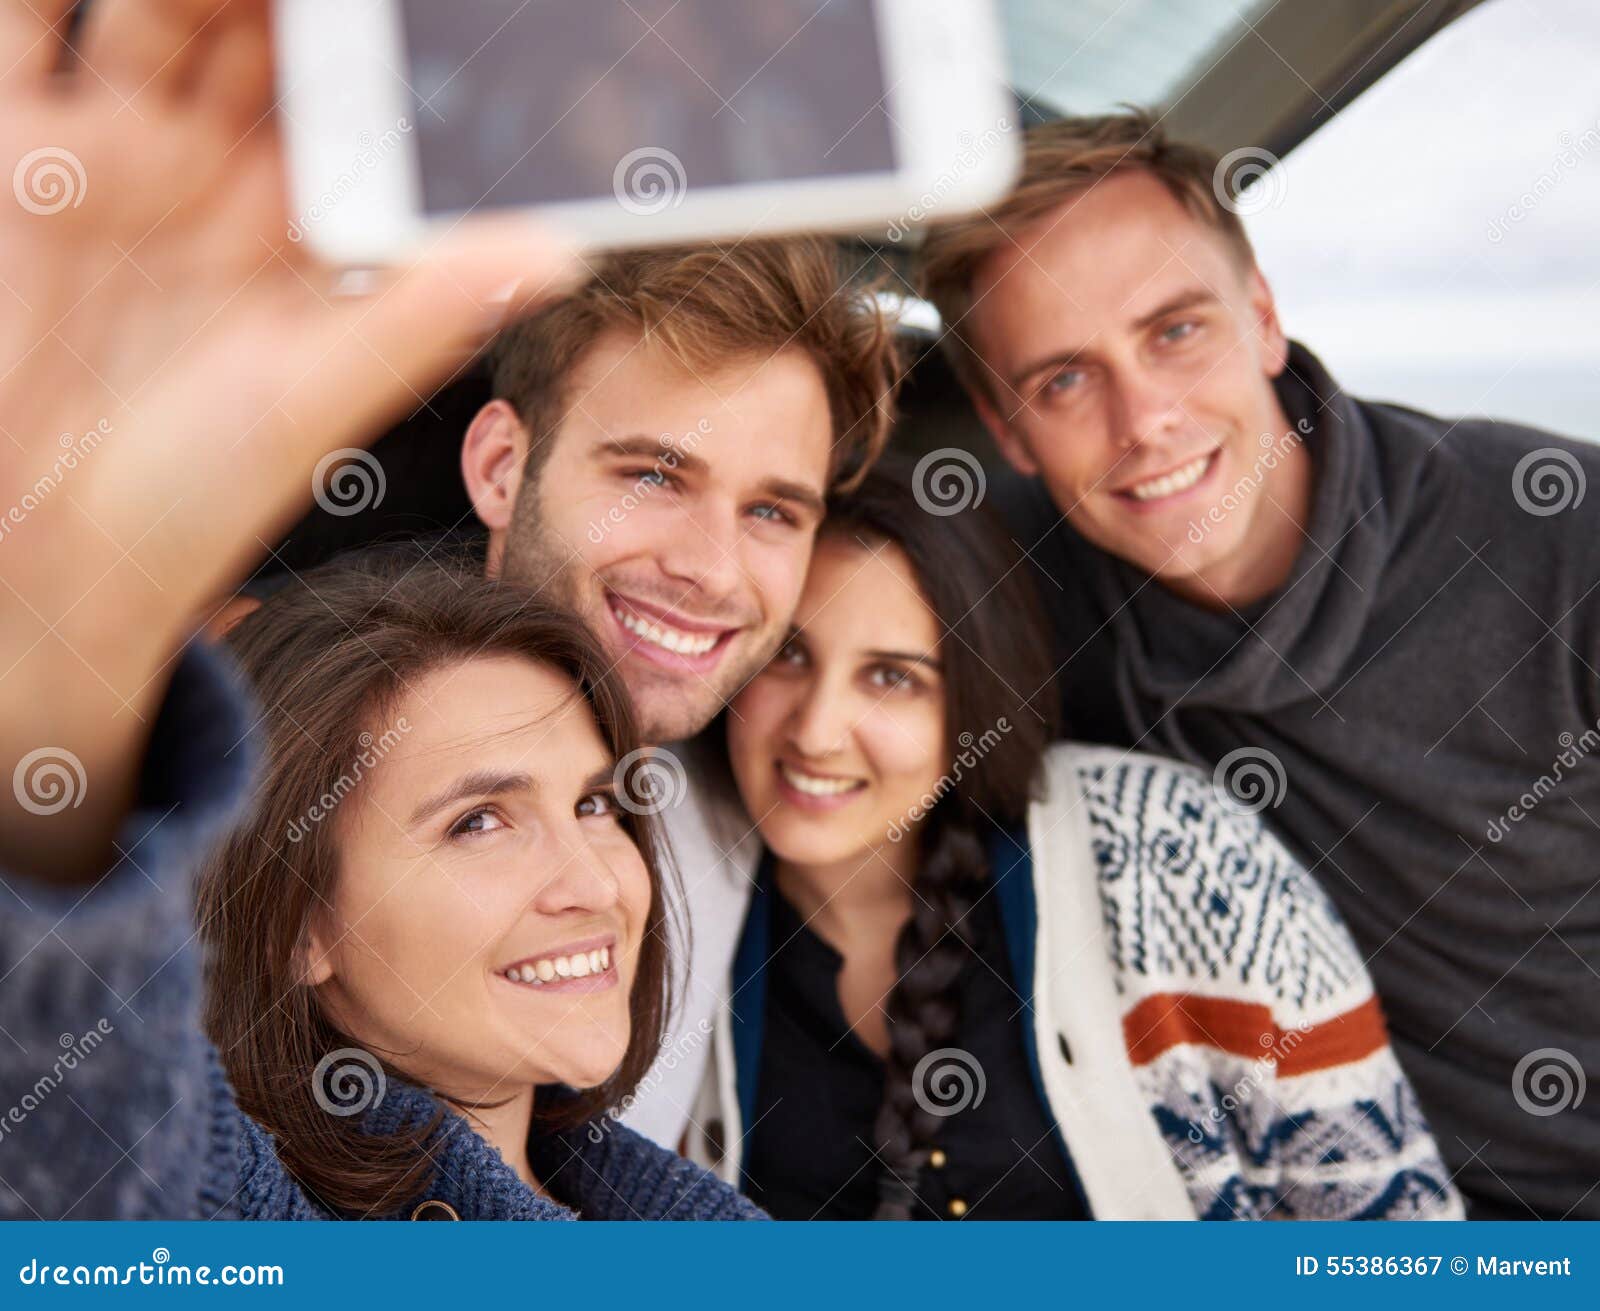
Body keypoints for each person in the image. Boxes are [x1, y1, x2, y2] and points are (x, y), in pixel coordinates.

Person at [0, 0, 752, 1221]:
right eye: (475, 824)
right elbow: (77, 1154)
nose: (593, 882)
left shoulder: (696, 1225)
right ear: (300, 925)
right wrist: (50, 674)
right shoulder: (230, 1214)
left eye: (595, 805)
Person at [915, 109, 1600, 1219]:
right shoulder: (1002, 601)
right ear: (1006, 428)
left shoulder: (1560, 539)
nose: (1145, 421)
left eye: (1176, 331)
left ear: (1264, 318)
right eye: (1063, 382)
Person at [682, 461, 1460, 1221]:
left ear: (973, 702)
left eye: (893, 677)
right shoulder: (664, 900)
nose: (815, 731)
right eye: (788, 652)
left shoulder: (1171, 848)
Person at [454, 237, 900, 1143]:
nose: (710, 569)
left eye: (772, 511)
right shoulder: (270, 755)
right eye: (655, 477)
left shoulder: (738, 806)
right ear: (503, 467)